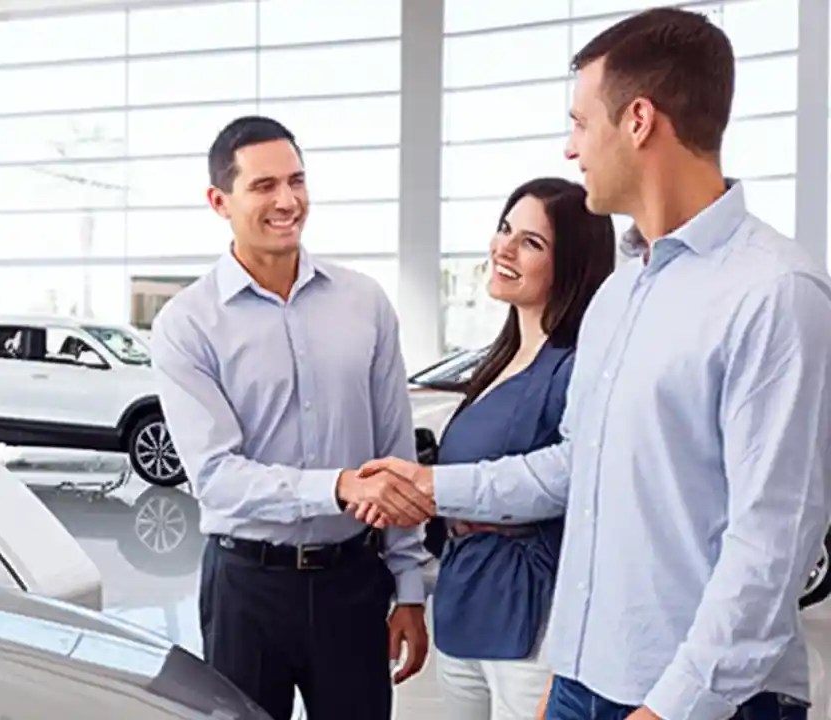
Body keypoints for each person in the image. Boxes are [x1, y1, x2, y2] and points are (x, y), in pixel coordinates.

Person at [356, 7, 831, 720]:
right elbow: (573, 471)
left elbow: (773, 538)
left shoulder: (774, 291)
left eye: (581, 123)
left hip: (704, 699)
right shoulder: (619, 295)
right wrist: (567, 669)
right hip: (586, 681)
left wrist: (672, 707)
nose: (571, 148)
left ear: (638, 120)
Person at [148, 115, 431, 720]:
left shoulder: (364, 302)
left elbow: (395, 452)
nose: (287, 201)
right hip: (245, 590)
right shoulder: (187, 324)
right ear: (219, 201)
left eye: (296, 181)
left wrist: (409, 584)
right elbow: (215, 476)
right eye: (264, 186)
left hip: (352, 583)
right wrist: (338, 486)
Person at [425, 178, 614, 720]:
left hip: (531, 616)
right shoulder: (498, 360)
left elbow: (571, 483)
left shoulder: (576, 366)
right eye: (505, 229)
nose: (503, 248)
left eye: (530, 242)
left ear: (571, 263)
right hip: (466, 602)